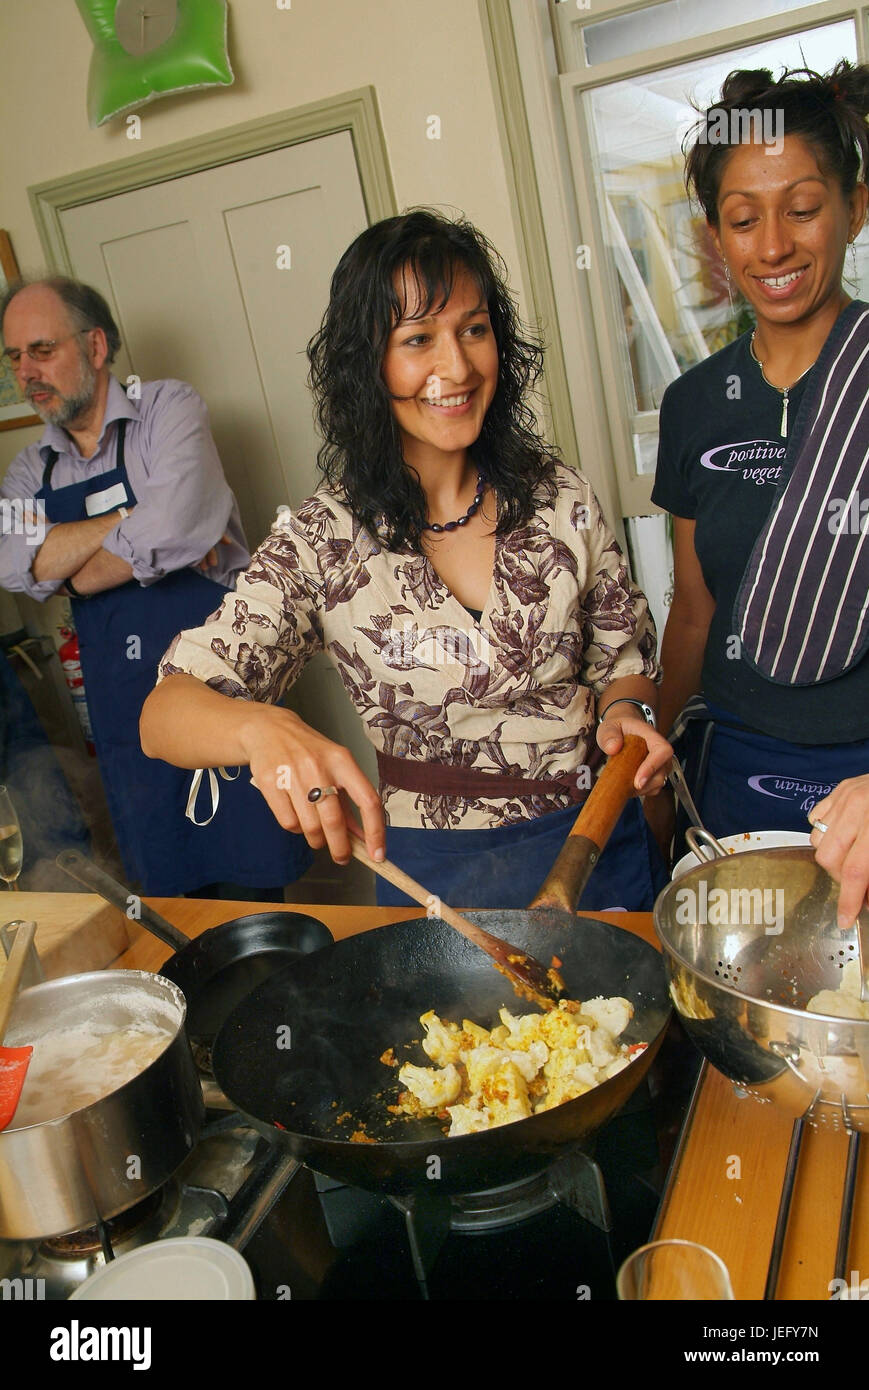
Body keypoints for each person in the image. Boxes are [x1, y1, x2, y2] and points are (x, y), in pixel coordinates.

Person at [141, 211, 673, 912]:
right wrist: (261, 728)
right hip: (432, 872)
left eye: (473, 329)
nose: (455, 367)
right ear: (368, 364)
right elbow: (162, 716)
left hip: (593, 843)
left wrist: (628, 716)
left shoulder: (559, 498)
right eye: (417, 339)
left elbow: (621, 660)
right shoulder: (323, 539)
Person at [0, 276, 312, 897]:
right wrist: (127, 516)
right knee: (172, 905)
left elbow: (179, 525)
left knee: (255, 892)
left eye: (41, 350)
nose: (26, 372)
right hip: (123, 716)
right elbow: (13, 565)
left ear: (94, 346)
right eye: (14, 358)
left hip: (217, 688)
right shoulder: (30, 469)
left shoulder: (169, 408)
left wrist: (69, 557)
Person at [648, 63, 869, 919]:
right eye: (743, 219)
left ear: (856, 205)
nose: (772, 246)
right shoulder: (694, 404)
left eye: (803, 208)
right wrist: (658, 751)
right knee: (746, 1008)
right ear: (716, 235)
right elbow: (695, 611)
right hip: (735, 770)